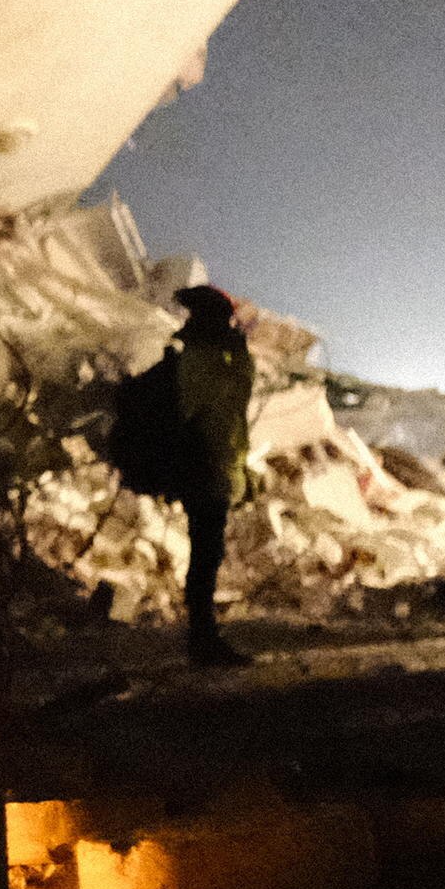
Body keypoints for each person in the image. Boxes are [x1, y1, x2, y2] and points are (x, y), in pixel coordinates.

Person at [165, 285, 258, 670]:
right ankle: (202, 640)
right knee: (205, 557)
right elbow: (230, 397)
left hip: (214, 470)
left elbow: (239, 395)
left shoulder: (208, 356)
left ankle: (203, 637)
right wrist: (237, 350)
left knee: (208, 554)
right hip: (204, 469)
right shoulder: (203, 360)